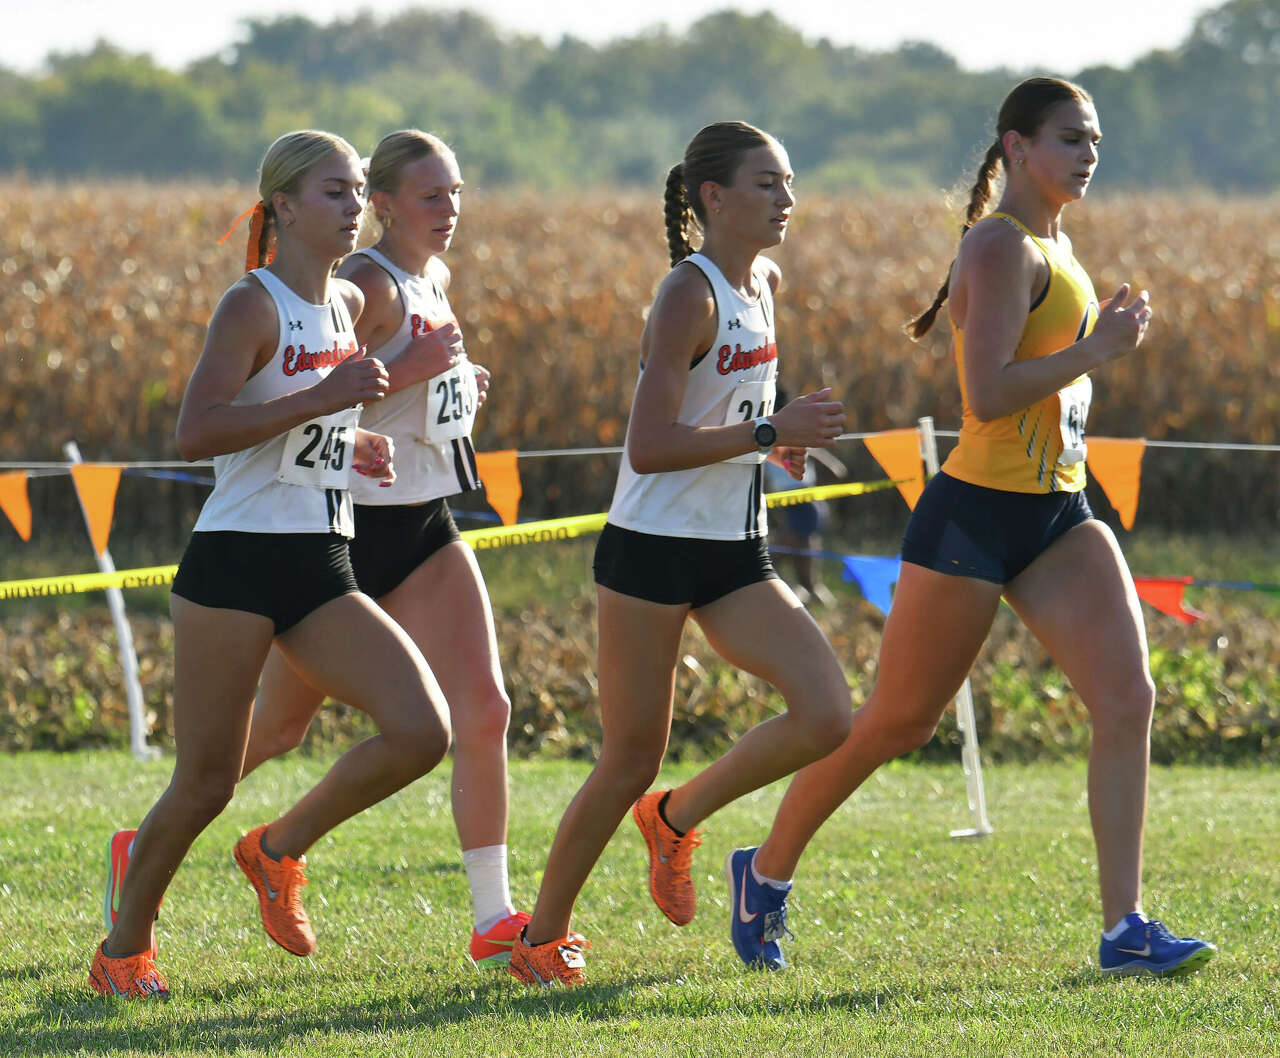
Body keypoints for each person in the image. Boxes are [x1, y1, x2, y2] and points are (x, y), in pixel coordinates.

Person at [725, 78, 1215, 977]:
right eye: (1071, 139)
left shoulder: (1058, 245)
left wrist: (1088, 355)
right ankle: (762, 870)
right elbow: (984, 396)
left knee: (1128, 698)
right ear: (1017, 147)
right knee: (894, 723)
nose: (1089, 155)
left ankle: (1125, 929)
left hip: (1059, 512)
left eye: (1096, 141)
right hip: (975, 517)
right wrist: (1096, 350)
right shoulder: (998, 245)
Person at [90, 130, 452, 999]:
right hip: (237, 564)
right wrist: (327, 399)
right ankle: (122, 954)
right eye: (335, 191)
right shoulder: (250, 305)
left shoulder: (342, 308)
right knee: (206, 779)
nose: (354, 205)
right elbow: (199, 432)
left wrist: (350, 444)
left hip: (321, 561)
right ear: (284, 206)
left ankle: (276, 849)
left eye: (359, 189)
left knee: (423, 730)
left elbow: (292, 427)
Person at [508, 121, 852, 987]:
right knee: (628, 756)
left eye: (789, 182)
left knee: (828, 714)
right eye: (767, 184)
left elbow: (730, 406)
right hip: (651, 551)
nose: (786, 200)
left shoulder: (766, 280)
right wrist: (770, 428)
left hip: (737, 550)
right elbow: (653, 445)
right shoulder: (686, 295)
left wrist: (777, 443)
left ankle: (678, 817)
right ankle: (541, 940)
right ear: (713, 198)